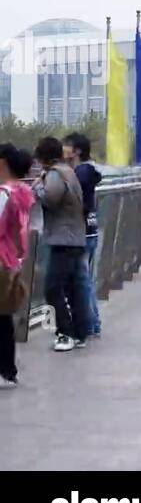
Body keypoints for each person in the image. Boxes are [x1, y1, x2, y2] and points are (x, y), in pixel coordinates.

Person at [33, 136, 90, 351]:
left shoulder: (56, 174)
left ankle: (64, 332)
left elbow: (50, 199)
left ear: (44, 157)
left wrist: (38, 187)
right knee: (73, 287)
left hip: (62, 238)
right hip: (74, 237)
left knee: (52, 287)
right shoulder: (68, 171)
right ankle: (79, 333)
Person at [0, 146, 34, 387]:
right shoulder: (23, 192)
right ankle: (7, 369)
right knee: (3, 317)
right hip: (13, 259)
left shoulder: (3, 194)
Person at [63, 133, 103, 337]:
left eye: (67, 146)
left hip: (82, 232)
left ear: (77, 150)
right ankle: (93, 322)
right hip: (90, 230)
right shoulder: (87, 171)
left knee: (81, 282)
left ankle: (89, 324)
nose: (63, 149)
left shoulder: (81, 172)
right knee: (85, 280)